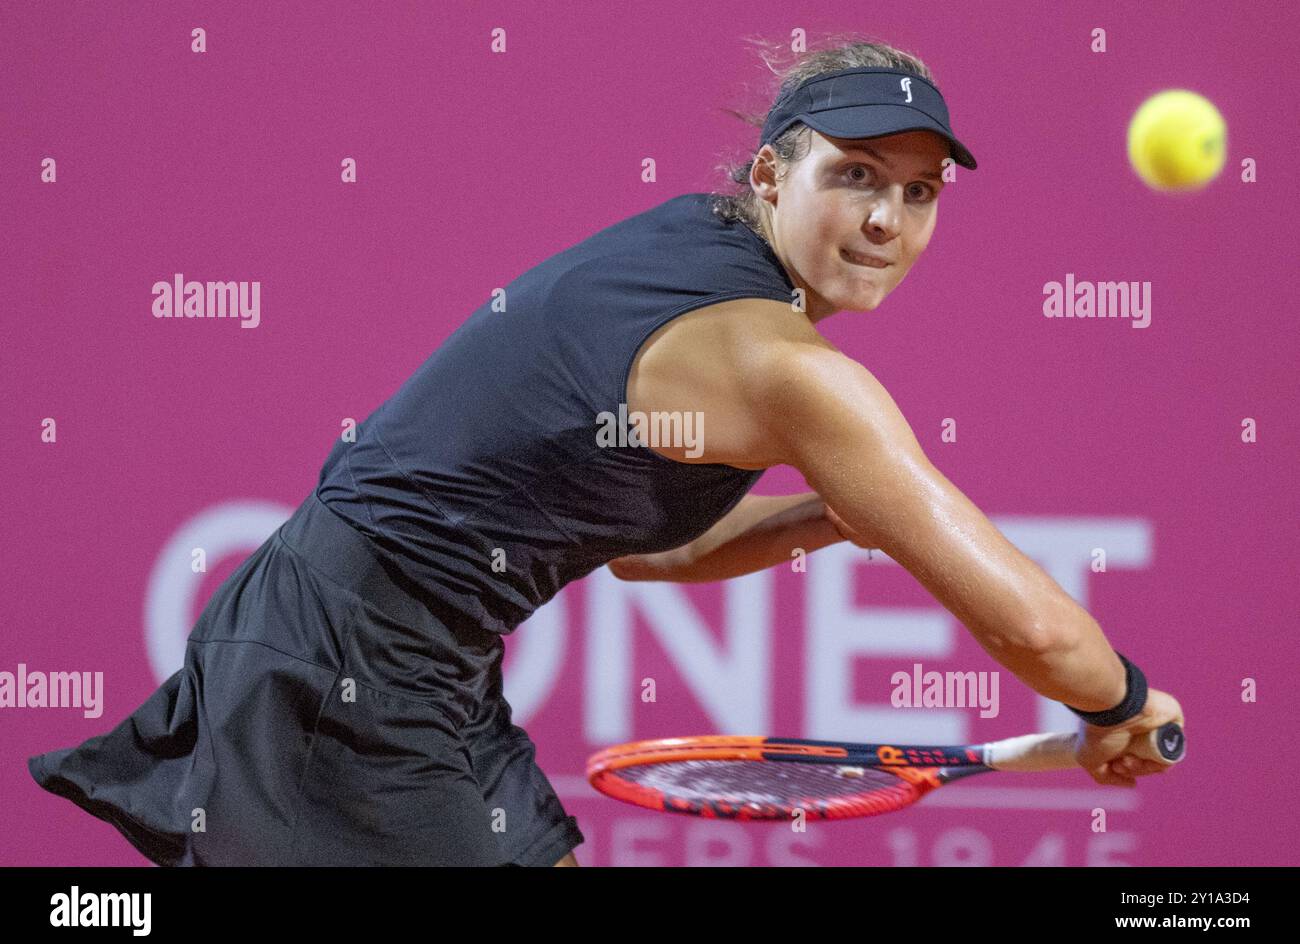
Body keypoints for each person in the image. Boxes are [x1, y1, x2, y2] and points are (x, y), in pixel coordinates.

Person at [28, 37, 1183, 868]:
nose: (888, 219)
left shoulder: (693, 248)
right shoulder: (794, 372)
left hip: (409, 660)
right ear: (775, 173)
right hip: (347, 684)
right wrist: (1123, 700)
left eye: (919, 192)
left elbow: (644, 555)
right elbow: (1036, 630)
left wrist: (828, 514)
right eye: (856, 176)